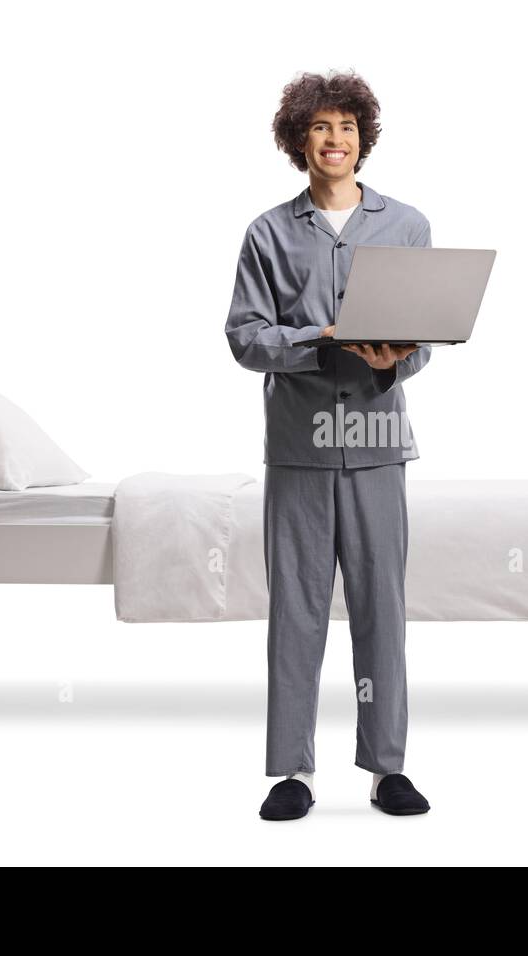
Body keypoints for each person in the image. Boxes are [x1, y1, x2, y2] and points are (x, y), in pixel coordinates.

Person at [224, 70, 433, 820]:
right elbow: (245, 337)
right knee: (298, 612)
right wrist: (320, 341)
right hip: (302, 447)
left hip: (377, 440)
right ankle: (292, 771)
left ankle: (387, 768)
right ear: (298, 140)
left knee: (383, 607)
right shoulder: (269, 233)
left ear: (362, 137)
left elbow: (424, 342)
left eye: (346, 126)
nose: (335, 138)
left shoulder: (405, 225)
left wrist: (395, 356)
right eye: (320, 127)